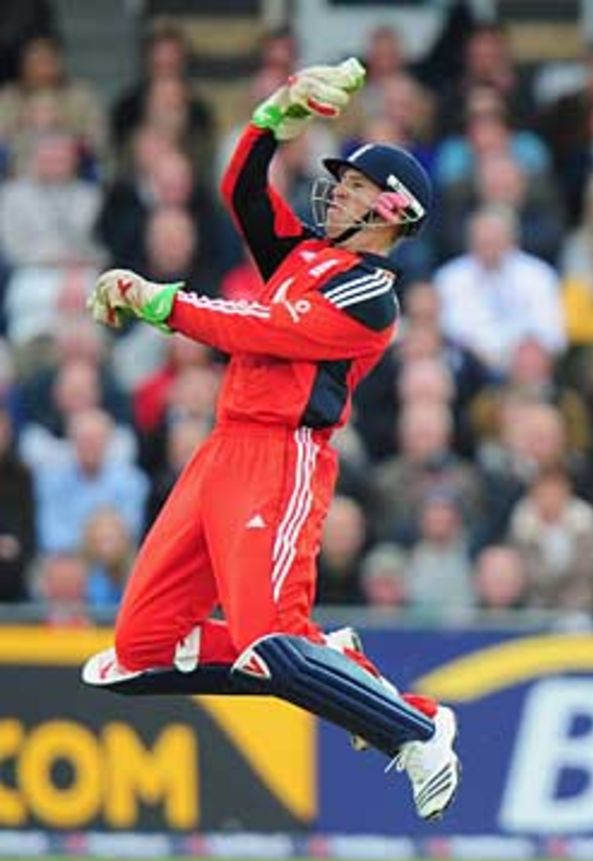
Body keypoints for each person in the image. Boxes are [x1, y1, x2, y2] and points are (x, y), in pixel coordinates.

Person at [79, 59, 460, 821]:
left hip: (281, 459)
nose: (338, 190)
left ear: (390, 210)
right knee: (136, 650)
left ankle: (415, 728)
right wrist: (274, 115)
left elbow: (261, 327)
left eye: (355, 185)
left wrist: (163, 303)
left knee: (269, 640)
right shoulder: (307, 255)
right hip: (222, 451)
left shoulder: (371, 292)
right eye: (341, 179)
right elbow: (241, 193)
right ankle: (332, 659)